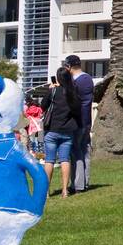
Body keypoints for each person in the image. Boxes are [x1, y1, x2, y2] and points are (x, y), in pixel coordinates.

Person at [40, 66, 82, 198]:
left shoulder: (53, 91)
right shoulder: (73, 92)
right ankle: (65, 190)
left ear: (57, 78)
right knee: (65, 160)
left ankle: (46, 191)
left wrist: (51, 90)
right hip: (67, 131)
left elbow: (43, 106)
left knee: (49, 160)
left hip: (52, 130)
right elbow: (77, 111)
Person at [65, 55, 94, 193]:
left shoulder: (76, 82)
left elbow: (72, 101)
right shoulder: (88, 78)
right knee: (85, 150)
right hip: (87, 120)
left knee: (76, 152)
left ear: (69, 66)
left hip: (77, 120)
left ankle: (78, 184)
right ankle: (86, 182)